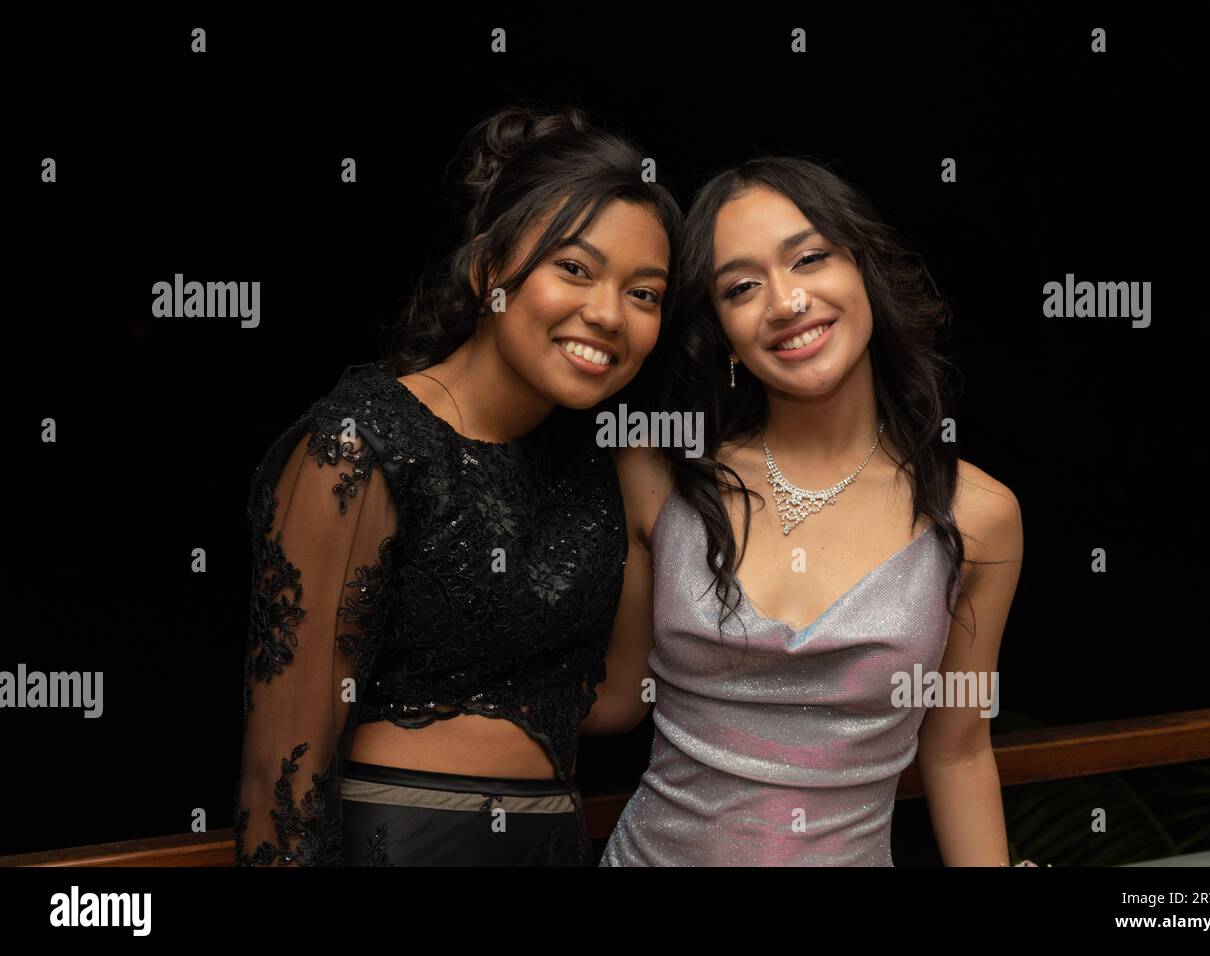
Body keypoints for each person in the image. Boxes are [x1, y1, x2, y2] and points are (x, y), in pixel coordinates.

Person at [234, 103, 681, 866]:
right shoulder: (362, 444)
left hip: (555, 840)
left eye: (645, 293)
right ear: (486, 271)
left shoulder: (604, 465)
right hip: (403, 841)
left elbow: (615, 703)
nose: (608, 314)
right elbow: (283, 763)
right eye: (574, 268)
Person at [591, 156, 1024, 865]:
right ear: (720, 329)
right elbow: (614, 700)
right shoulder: (654, 473)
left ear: (864, 272)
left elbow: (959, 753)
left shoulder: (980, 515)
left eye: (810, 258)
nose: (786, 302)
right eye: (742, 287)